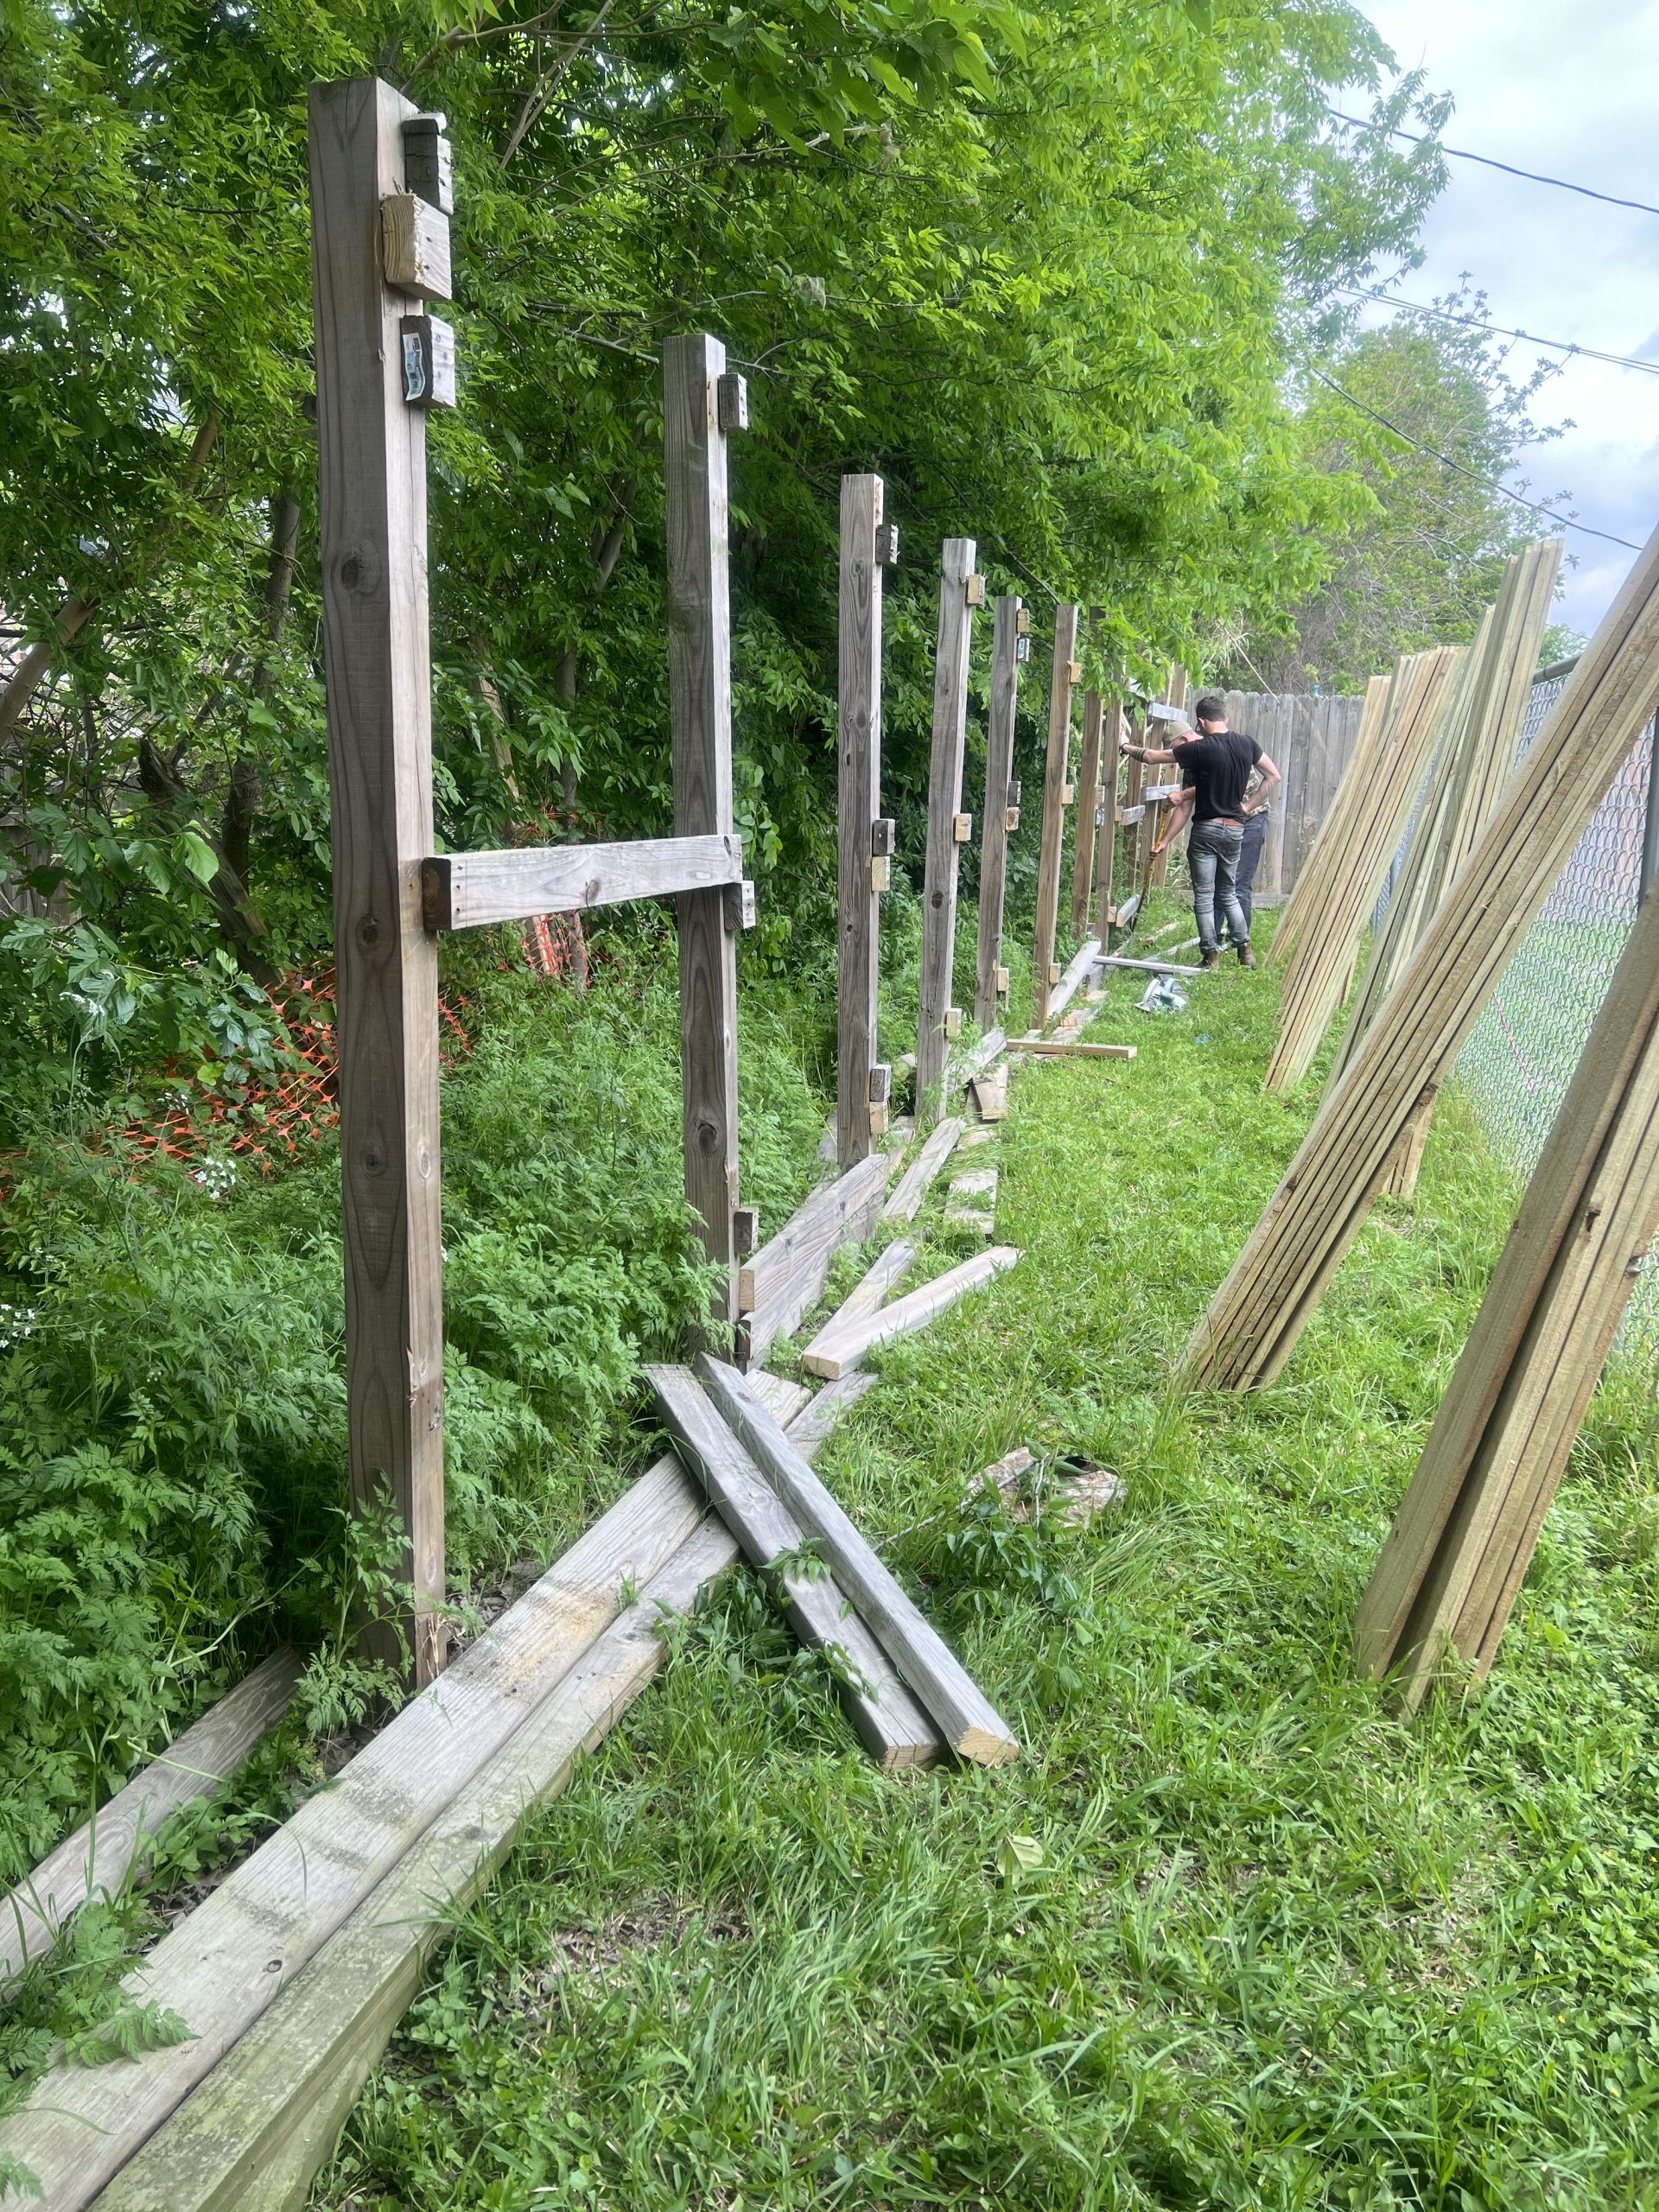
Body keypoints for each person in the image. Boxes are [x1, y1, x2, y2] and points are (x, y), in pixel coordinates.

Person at [1123, 693, 1281, 969]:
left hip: (1207, 830)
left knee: (1205, 896)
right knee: (1228, 892)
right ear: (1225, 718)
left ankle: (1211, 956)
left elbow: (1150, 756)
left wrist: (1124, 745)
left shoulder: (1197, 750)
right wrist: (1247, 807)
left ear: (1201, 722)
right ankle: (1245, 950)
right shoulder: (1246, 744)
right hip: (1235, 829)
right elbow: (1274, 776)